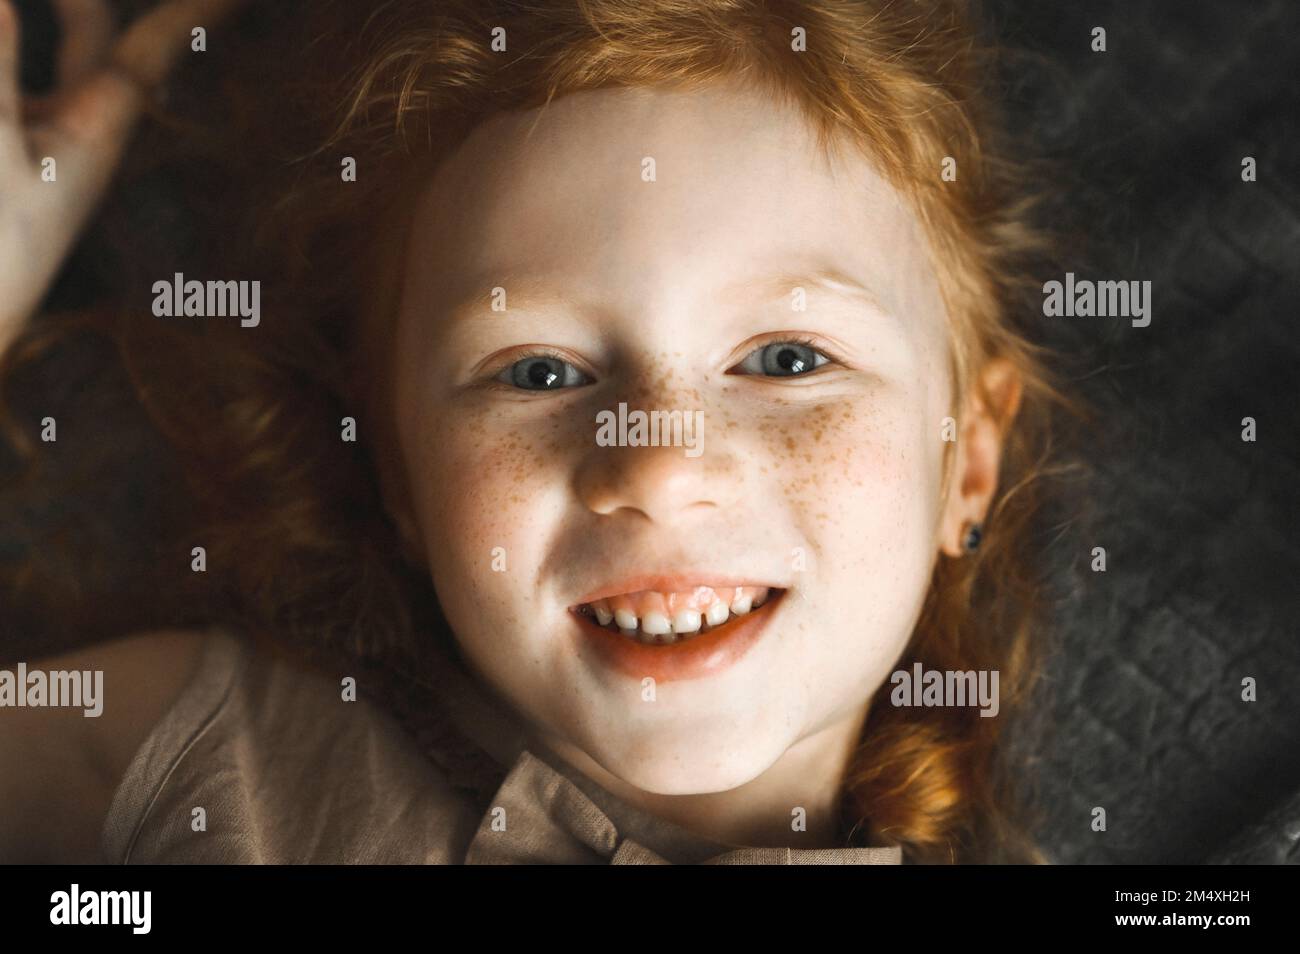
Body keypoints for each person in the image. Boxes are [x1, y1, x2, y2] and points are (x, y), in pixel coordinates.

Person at [0, 0, 1073, 864]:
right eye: (539, 371)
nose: (657, 464)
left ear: (966, 460)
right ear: (398, 473)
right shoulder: (219, 752)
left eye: (787, 359)